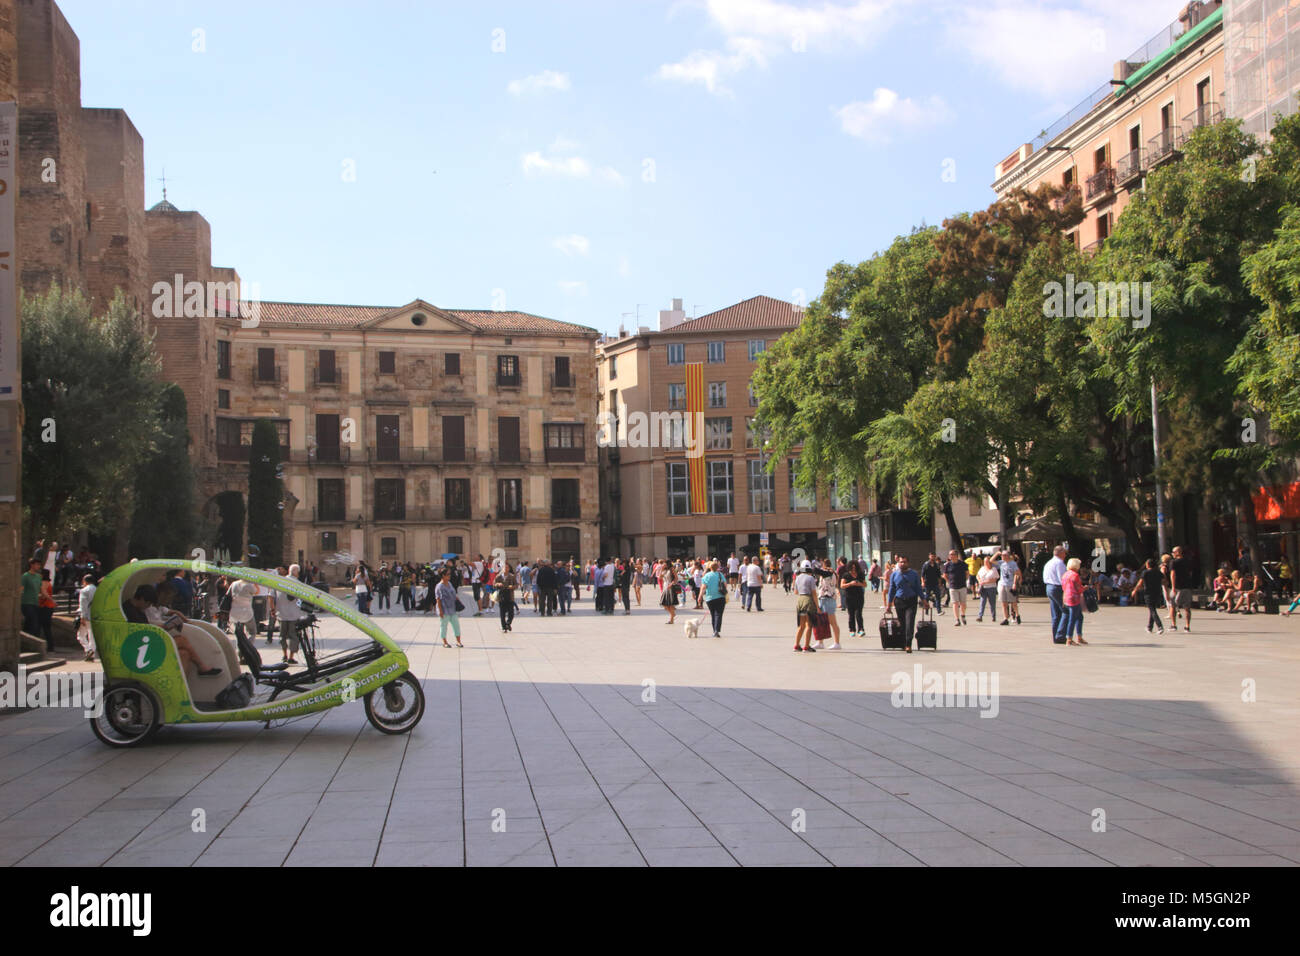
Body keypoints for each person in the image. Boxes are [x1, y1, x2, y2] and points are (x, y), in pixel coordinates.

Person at [151, 581, 224, 676]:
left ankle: (181, 683)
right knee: (182, 640)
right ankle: (202, 667)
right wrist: (166, 625)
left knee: (184, 654)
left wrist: (187, 621)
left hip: (162, 638)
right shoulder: (149, 609)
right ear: (161, 594)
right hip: (153, 642)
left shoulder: (160, 607)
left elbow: (175, 612)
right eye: (168, 597)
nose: (169, 600)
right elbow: (149, 625)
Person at [885, 554, 928, 654]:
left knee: (909, 623)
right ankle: (903, 643)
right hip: (899, 601)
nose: (903, 563)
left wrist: (924, 601)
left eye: (904, 562)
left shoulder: (914, 574)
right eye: (901, 562)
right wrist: (889, 605)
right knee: (902, 624)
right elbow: (891, 590)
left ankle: (908, 644)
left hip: (911, 601)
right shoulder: (894, 575)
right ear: (898, 563)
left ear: (908, 563)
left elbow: (918, 588)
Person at [275, 565, 307, 664]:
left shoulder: (279, 581)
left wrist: (272, 609)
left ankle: (284, 655)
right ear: (297, 572)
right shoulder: (298, 584)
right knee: (293, 635)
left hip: (281, 614)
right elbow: (302, 599)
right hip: (294, 614)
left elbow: (271, 596)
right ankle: (291, 657)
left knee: (282, 635)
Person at [1132, 558, 1166, 635]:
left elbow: (1140, 583)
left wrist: (1135, 590)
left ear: (1148, 565)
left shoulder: (1145, 572)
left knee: (1152, 610)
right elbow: (1164, 581)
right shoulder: (1158, 572)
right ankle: (1150, 627)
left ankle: (1160, 626)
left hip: (1148, 593)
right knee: (1152, 609)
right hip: (1157, 592)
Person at [813, 558, 841, 650]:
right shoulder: (829, 573)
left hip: (828, 599)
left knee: (833, 622)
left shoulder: (829, 573)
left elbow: (816, 570)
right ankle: (820, 642)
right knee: (821, 622)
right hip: (822, 598)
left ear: (824, 565)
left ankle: (837, 643)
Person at [1059, 558, 1086, 645]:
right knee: (1072, 619)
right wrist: (1085, 588)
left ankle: (1079, 637)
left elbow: (1063, 587)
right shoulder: (1075, 575)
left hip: (1066, 597)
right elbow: (1079, 588)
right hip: (1074, 599)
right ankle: (1069, 638)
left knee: (1079, 617)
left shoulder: (1065, 575)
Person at [793, 561, 819, 652]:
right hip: (808, 600)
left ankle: (797, 645)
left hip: (800, 600)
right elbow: (814, 593)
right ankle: (806, 646)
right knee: (809, 625)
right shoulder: (811, 578)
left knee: (801, 625)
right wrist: (818, 607)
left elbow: (795, 592)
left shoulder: (797, 577)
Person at [1042, 545, 1067, 639]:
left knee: (1056, 613)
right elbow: (1062, 578)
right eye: (1064, 553)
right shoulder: (1060, 563)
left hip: (1049, 587)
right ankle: (1061, 635)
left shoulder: (1049, 563)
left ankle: (1056, 635)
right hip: (1057, 588)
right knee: (1066, 611)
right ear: (1061, 553)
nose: (1065, 555)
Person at [228, 575, 259, 646]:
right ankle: (248, 646)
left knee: (239, 633)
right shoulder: (249, 585)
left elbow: (228, 594)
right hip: (247, 611)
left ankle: (240, 647)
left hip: (235, 611)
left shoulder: (234, 584)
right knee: (252, 632)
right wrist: (256, 584)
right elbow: (257, 592)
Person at [435, 568, 463, 648]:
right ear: (443, 575)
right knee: (444, 626)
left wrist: (457, 599)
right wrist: (440, 611)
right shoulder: (439, 586)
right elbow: (438, 599)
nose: (449, 576)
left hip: (452, 609)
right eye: (447, 574)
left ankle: (458, 641)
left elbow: (453, 593)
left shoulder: (449, 583)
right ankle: (445, 642)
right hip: (444, 610)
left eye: (449, 574)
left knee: (456, 625)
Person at [942, 549, 970, 627]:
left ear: (956, 555)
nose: (950, 556)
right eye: (950, 554)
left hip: (962, 586)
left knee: (963, 603)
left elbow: (967, 573)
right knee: (955, 603)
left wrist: (965, 580)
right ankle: (957, 620)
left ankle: (963, 615)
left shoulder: (963, 564)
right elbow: (945, 575)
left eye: (952, 554)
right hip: (953, 587)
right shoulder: (947, 565)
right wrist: (949, 581)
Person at [840, 557, 866, 637]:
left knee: (859, 614)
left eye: (855, 568)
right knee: (851, 614)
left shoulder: (860, 574)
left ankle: (861, 629)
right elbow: (842, 585)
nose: (854, 570)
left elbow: (865, 584)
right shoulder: (846, 575)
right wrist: (850, 584)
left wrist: (858, 584)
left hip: (859, 597)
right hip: (849, 597)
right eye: (852, 568)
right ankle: (852, 630)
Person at [75, 573, 98, 661]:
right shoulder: (97, 590)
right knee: (92, 636)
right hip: (95, 615)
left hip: (87, 615)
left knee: (80, 635)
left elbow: (83, 605)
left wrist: (82, 617)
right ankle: (92, 653)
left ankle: (88, 650)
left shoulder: (84, 591)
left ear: (85, 581)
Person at [701, 560, 726, 638]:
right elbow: (725, 585)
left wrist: (700, 596)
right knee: (719, 614)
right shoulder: (720, 574)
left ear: (710, 567)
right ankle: (716, 631)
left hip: (710, 598)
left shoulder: (707, 575)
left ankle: (714, 630)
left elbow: (703, 587)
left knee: (713, 614)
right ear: (717, 567)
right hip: (720, 597)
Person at [20, 558, 43, 638]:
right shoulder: (25, 576)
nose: (38, 566)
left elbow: (40, 590)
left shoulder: (39, 577)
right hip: (26, 602)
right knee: (33, 622)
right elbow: (21, 589)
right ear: (31, 565)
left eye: (39, 565)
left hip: (35, 602)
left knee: (30, 623)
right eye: (37, 564)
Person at [998, 551, 1022, 625]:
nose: (1002, 556)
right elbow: (991, 560)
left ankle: (1017, 615)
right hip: (1002, 584)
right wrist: (997, 553)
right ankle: (1005, 618)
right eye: (1002, 555)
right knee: (1004, 603)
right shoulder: (1001, 563)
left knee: (1013, 602)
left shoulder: (1013, 563)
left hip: (1010, 584)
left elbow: (1017, 574)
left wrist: (1015, 583)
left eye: (1004, 555)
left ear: (1007, 556)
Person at [37, 569, 57, 648]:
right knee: (46, 627)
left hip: (45, 606)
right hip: (47, 606)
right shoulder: (48, 583)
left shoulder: (44, 582)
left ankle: (49, 646)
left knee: (44, 627)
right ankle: (50, 646)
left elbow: (44, 593)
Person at [976, 557, 999, 622]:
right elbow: (977, 575)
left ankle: (993, 616)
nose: (985, 563)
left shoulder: (994, 569)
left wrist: (985, 582)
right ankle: (980, 616)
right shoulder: (982, 568)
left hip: (991, 588)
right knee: (982, 602)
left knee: (992, 603)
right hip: (983, 588)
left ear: (990, 562)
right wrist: (979, 581)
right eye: (984, 561)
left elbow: (995, 579)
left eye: (986, 561)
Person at [496, 563, 517, 633]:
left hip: (510, 596)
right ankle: (504, 627)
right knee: (502, 613)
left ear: (509, 568)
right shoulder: (498, 576)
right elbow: (494, 584)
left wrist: (512, 587)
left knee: (511, 613)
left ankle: (508, 623)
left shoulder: (512, 576)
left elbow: (516, 585)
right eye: (504, 567)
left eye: (507, 567)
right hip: (501, 596)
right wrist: (498, 584)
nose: (505, 569)